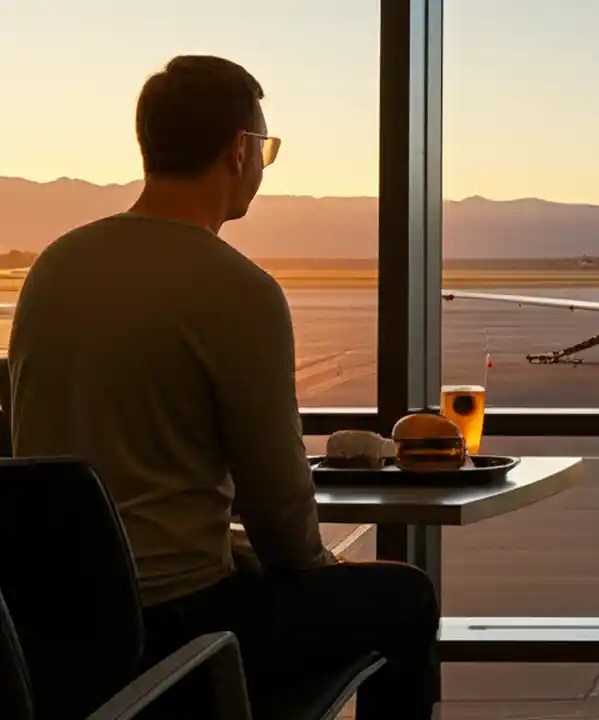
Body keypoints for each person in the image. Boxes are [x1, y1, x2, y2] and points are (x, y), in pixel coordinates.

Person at [7, 55, 438, 717]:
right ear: (239, 151)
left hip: (49, 628)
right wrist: (315, 568)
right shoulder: (237, 290)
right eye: (266, 147)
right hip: (179, 628)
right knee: (405, 599)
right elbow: (280, 513)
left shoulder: (52, 269)